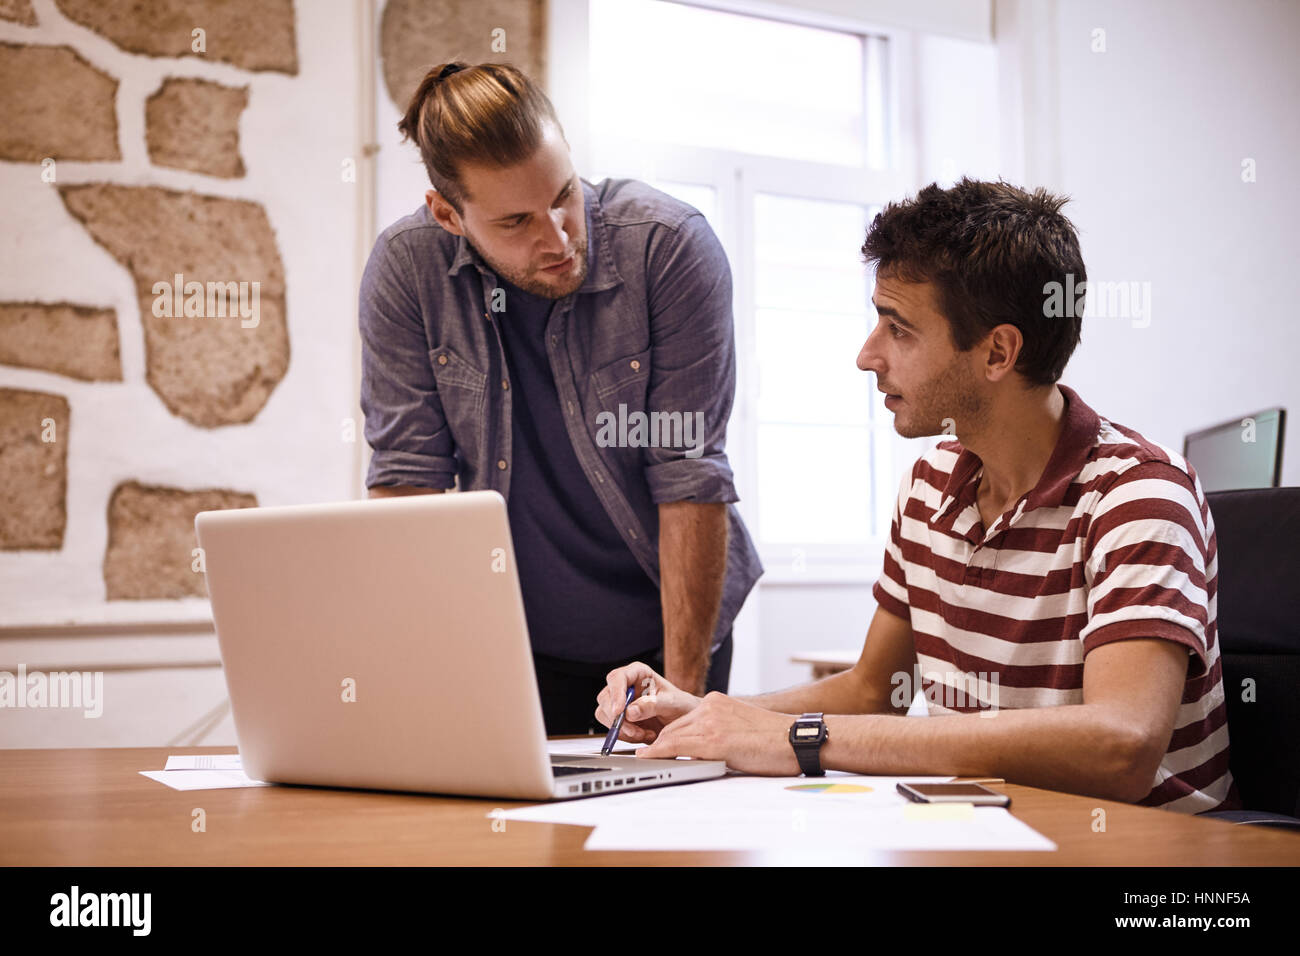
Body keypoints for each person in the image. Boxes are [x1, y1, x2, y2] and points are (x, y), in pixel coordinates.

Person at [596, 178, 1240, 813]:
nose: (867, 355)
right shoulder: (929, 485)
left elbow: (1121, 747)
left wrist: (800, 738)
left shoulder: (1140, 496)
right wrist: (703, 715)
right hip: (994, 836)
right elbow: (875, 691)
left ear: (997, 353)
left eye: (898, 328)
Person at [358, 62, 761, 735]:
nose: (558, 238)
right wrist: (424, 675)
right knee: (510, 839)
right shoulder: (407, 270)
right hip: (512, 638)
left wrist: (680, 700)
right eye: (516, 221)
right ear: (447, 214)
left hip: (667, 635)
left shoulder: (669, 249)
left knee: (665, 834)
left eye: (564, 195)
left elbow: (689, 475)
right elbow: (407, 483)